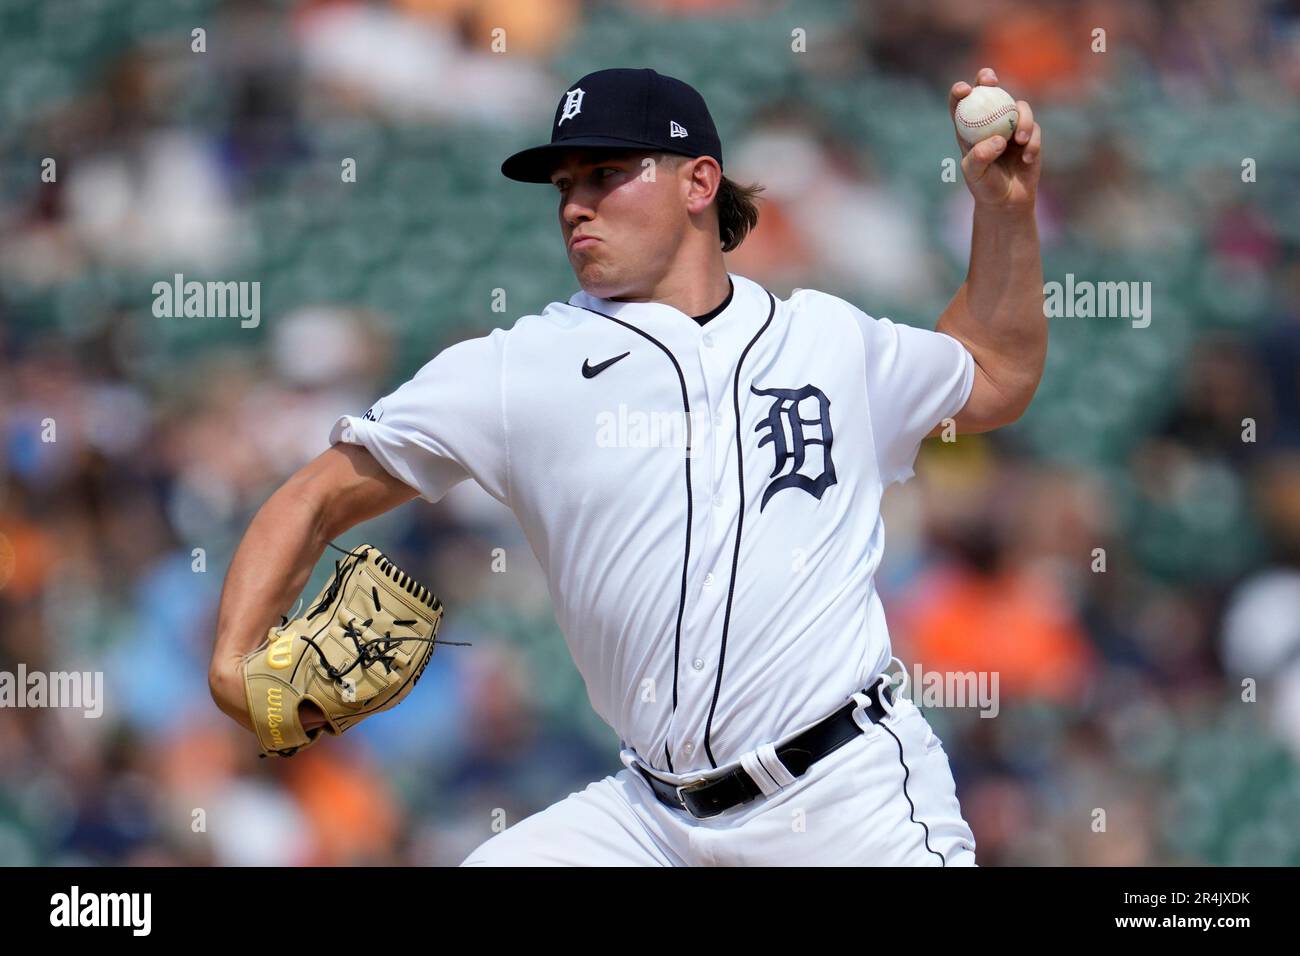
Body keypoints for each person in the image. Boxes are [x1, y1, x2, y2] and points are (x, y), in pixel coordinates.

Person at [208, 66, 1045, 866]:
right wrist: (232, 661)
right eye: (563, 185)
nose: (575, 204)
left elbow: (996, 374)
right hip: (650, 821)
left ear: (699, 182)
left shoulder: (828, 341)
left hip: (842, 798)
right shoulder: (518, 369)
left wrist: (1005, 209)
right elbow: (315, 498)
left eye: (605, 174)